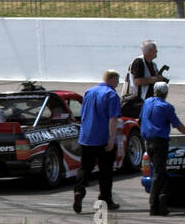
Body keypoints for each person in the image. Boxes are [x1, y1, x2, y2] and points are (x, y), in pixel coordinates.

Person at [72, 70, 122, 214]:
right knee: (105, 171)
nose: (118, 83)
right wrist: (111, 140)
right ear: (112, 79)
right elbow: (113, 118)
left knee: (85, 167)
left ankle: (79, 190)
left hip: (87, 136)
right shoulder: (111, 94)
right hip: (102, 137)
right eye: (117, 80)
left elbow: (83, 113)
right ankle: (105, 199)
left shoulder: (89, 92)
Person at [141, 82, 185, 216]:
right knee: (159, 173)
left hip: (147, 141)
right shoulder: (166, 106)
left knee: (162, 172)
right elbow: (177, 124)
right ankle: (153, 204)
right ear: (166, 93)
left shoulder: (147, 102)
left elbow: (141, 119)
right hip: (160, 142)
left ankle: (163, 200)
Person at [120, 39, 169, 118]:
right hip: (137, 100)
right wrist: (154, 79)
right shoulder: (138, 62)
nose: (157, 51)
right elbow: (137, 81)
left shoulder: (153, 64)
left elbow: (155, 78)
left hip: (148, 99)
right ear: (150, 51)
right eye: (155, 49)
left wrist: (160, 79)